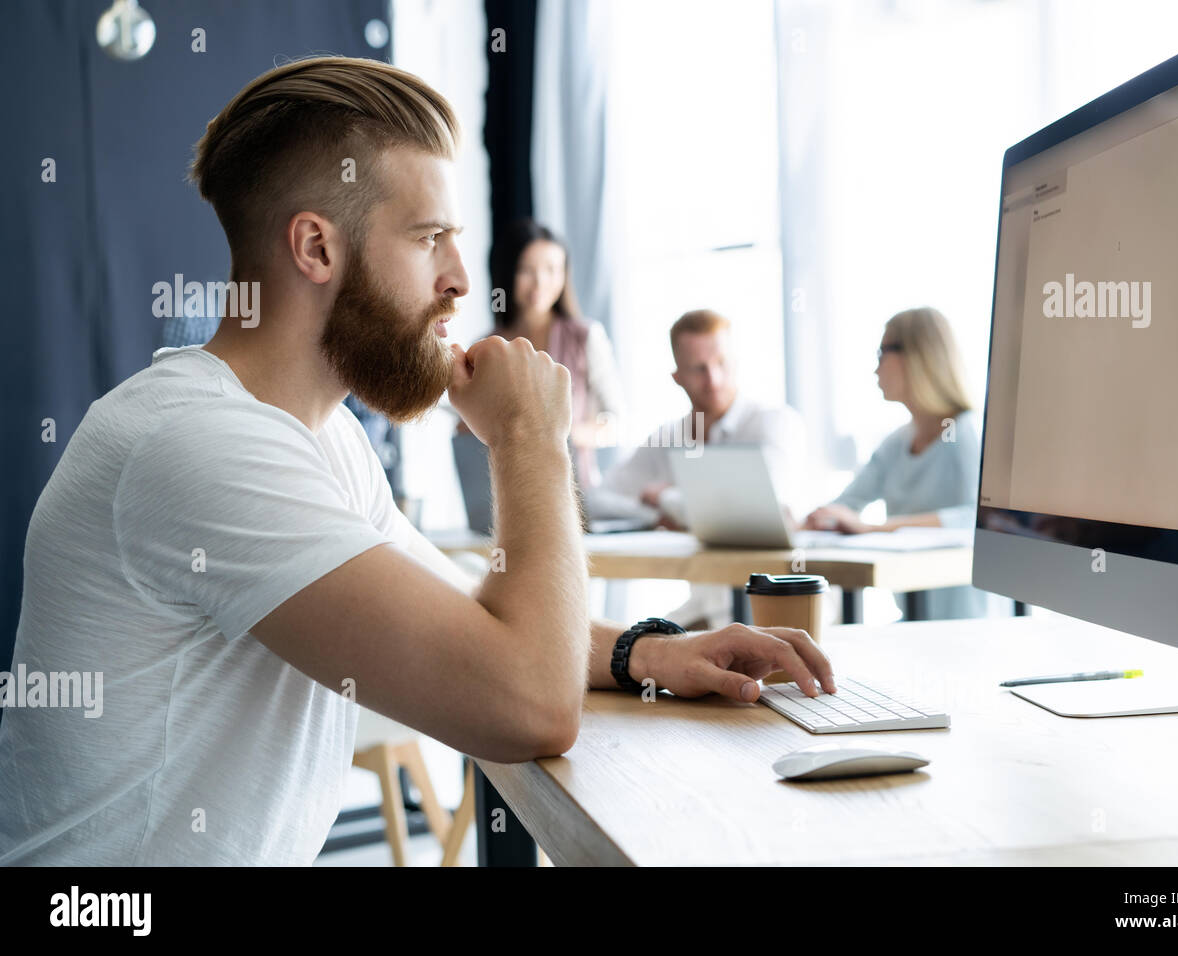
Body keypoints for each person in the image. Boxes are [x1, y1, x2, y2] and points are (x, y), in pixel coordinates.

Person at [0, 57, 834, 866]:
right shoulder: (198, 445)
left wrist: (650, 654)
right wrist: (530, 438)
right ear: (317, 249)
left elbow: (468, 616)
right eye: (430, 238)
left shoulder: (320, 437)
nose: (463, 280)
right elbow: (527, 704)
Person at [803, 306, 1001, 620]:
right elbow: (847, 505)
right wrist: (812, 519)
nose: (875, 368)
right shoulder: (896, 443)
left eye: (883, 352)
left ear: (916, 356)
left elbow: (976, 519)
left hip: (971, 622)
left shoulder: (966, 433)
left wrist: (874, 529)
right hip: (912, 615)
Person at [591, 309, 807, 531]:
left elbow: (761, 514)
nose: (713, 380)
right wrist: (654, 517)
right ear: (677, 378)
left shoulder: (775, 423)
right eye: (698, 369)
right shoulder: (667, 438)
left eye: (721, 363)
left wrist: (665, 497)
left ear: (736, 363)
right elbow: (595, 502)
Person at [488, 218, 623, 488]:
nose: (540, 282)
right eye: (526, 270)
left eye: (552, 269)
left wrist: (571, 435)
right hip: (504, 493)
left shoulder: (586, 337)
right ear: (506, 273)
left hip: (574, 493)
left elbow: (616, 423)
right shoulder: (488, 347)